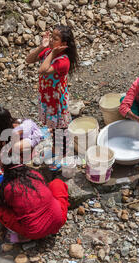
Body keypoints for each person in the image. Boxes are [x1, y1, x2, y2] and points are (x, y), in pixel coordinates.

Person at [25, 24, 79, 170]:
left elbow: (42, 70)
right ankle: (57, 146)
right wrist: (42, 47)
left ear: (63, 44)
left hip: (56, 100)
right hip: (47, 97)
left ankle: (60, 152)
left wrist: (52, 54)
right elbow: (29, 60)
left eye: (55, 38)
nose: (51, 40)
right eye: (52, 36)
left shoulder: (63, 61)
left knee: (60, 127)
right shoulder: (49, 51)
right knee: (54, 126)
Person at [0, 164, 69, 242]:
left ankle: (21, 238)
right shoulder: (34, 173)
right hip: (58, 220)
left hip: (34, 232)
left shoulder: (7, 186)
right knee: (57, 183)